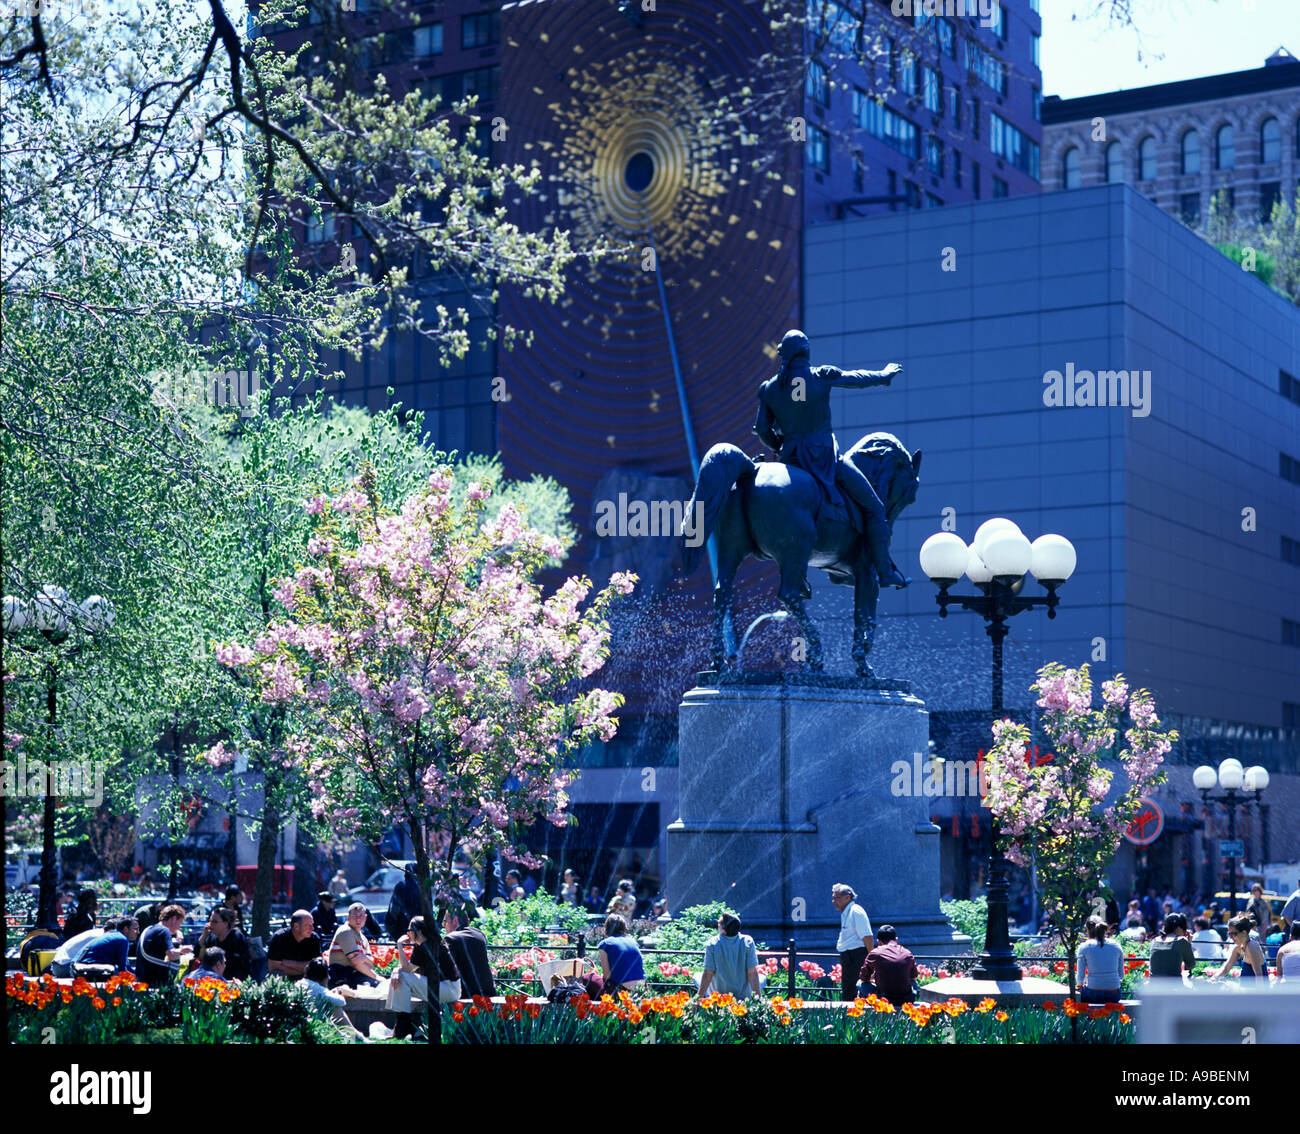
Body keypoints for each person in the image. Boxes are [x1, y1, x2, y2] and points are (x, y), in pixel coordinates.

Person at [753, 329, 907, 590]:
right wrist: (883, 376)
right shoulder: (819, 376)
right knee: (876, 508)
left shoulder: (769, 389)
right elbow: (855, 378)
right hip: (826, 459)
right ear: (806, 351)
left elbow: (762, 430)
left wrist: (782, 446)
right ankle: (884, 569)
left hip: (790, 461)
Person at [386, 916, 462, 1039]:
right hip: (447, 988)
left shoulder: (425, 946)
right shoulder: (426, 944)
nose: (407, 933)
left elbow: (407, 969)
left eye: (409, 929)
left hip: (448, 989)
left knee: (403, 978)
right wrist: (396, 970)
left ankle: (402, 1026)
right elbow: (408, 968)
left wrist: (399, 945)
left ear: (419, 931)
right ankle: (402, 1025)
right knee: (401, 978)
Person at [698, 913, 760, 999]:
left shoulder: (712, 943)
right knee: (762, 977)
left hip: (719, 996)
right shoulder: (748, 941)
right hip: (743, 996)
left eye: (718, 924)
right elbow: (752, 973)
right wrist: (759, 999)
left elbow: (708, 973)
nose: (717, 925)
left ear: (724, 930)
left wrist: (699, 997)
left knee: (697, 976)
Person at [302, 959, 365, 1041]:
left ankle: (350, 1035)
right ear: (322, 976)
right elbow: (341, 1002)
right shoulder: (317, 988)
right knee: (335, 1006)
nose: (329, 978)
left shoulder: (303, 982)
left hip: (303, 1021)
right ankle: (355, 1035)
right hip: (311, 1024)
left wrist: (330, 993)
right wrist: (337, 993)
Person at [831, 883, 874, 1002]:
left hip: (857, 957)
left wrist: (872, 961)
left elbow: (867, 937)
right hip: (849, 958)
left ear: (847, 897)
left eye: (836, 897)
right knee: (848, 991)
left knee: (853, 993)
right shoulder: (847, 912)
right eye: (833, 897)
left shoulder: (856, 911)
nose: (833, 901)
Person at [857, 924, 918, 1007]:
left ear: (878, 942)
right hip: (905, 998)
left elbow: (863, 978)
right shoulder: (907, 953)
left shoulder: (875, 953)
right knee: (914, 984)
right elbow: (914, 978)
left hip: (883, 998)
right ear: (896, 940)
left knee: (859, 984)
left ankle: (865, 1009)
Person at [443, 906, 496, 998]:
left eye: (445, 921)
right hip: (489, 992)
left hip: (467, 994)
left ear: (455, 920)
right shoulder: (479, 934)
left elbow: (446, 968)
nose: (443, 925)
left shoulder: (451, 938)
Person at [330, 902, 383, 988]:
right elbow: (356, 962)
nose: (358, 920)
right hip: (341, 977)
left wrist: (364, 958)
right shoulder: (346, 931)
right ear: (348, 917)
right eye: (354, 916)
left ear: (365, 917)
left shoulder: (363, 938)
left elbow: (371, 963)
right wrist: (378, 978)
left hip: (355, 975)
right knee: (373, 987)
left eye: (361, 916)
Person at [191, 906, 252, 982]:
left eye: (215, 922)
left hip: (234, 980)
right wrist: (203, 936)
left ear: (225, 924)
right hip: (212, 979)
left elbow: (243, 964)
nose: (210, 924)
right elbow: (198, 955)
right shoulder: (211, 937)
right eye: (210, 921)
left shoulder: (237, 937)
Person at [136, 905, 192, 987]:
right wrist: (183, 950)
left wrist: (177, 932)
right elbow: (171, 955)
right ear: (173, 919)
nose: (179, 927)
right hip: (155, 983)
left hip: (144, 979)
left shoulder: (151, 928)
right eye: (179, 924)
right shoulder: (164, 931)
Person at [1076, 915, 1124, 1004]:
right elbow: (1121, 975)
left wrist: (1081, 985)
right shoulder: (1116, 946)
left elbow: (1080, 978)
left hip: (1093, 994)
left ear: (1087, 930)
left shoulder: (1084, 947)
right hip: (1114, 995)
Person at [1210, 915, 1268, 982]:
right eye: (1229, 934)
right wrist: (1213, 978)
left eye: (1233, 934)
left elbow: (1259, 975)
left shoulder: (1251, 946)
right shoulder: (1238, 948)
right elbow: (1226, 968)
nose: (1231, 937)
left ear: (1244, 933)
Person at [267, 910, 324, 978]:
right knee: (276, 975)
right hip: (285, 979)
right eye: (307, 925)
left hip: (307, 980)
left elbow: (317, 967)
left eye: (312, 924)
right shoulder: (279, 937)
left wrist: (289, 963)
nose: (312, 928)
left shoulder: (314, 938)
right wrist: (303, 971)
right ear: (296, 926)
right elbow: (273, 968)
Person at [597, 915, 645, 993]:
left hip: (622, 989)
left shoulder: (605, 944)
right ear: (624, 927)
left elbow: (607, 976)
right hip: (641, 987)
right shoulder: (633, 941)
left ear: (607, 928)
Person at [1147, 914, 1196, 980]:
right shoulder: (1181, 941)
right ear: (1178, 928)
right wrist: (1189, 943)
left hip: (1153, 985)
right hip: (1173, 985)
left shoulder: (1155, 940)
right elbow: (1191, 965)